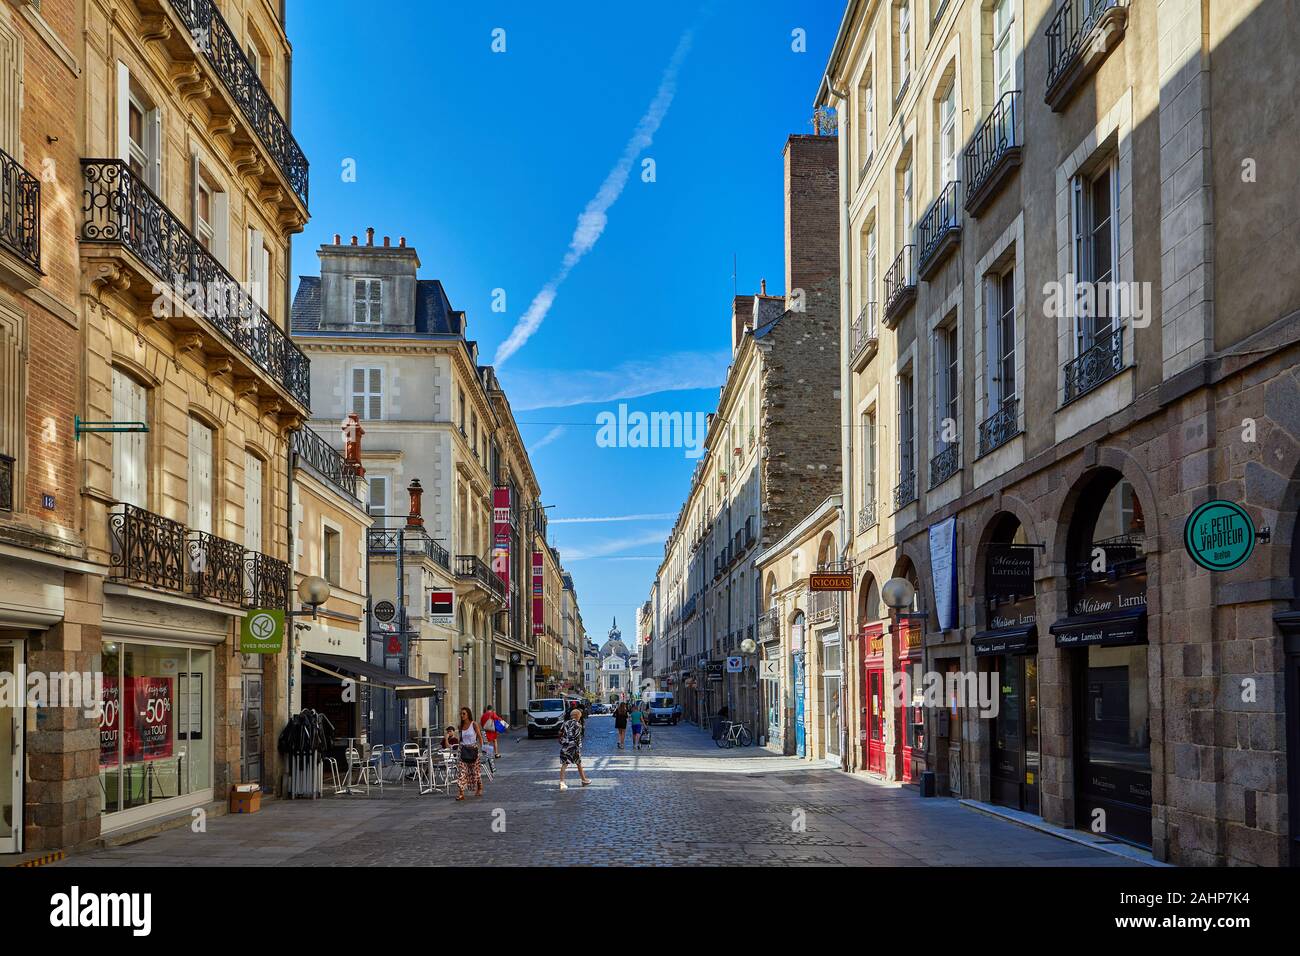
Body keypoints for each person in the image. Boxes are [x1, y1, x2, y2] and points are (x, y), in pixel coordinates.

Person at [557, 708, 591, 790]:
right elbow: (577, 738)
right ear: (578, 716)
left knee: (564, 764)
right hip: (574, 747)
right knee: (578, 763)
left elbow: (560, 733)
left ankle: (562, 782)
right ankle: (583, 780)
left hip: (565, 747)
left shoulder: (565, 723)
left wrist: (563, 740)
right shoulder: (578, 725)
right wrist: (579, 748)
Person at [455, 706, 484, 800]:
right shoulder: (460, 726)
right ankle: (461, 793)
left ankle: (479, 787)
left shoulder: (474, 724)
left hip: (473, 750)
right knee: (462, 772)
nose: (462, 715)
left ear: (468, 714)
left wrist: (481, 748)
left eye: (464, 713)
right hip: (463, 750)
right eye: (461, 714)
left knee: (475, 772)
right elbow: (460, 739)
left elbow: (479, 737)